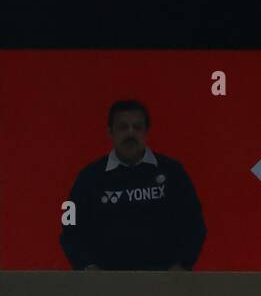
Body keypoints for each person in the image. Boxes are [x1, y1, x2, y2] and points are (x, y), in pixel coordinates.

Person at [59, 99, 206, 271]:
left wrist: (181, 265)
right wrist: (87, 266)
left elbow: (194, 225)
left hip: (164, 285)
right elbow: (71, 231)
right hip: (105, 287)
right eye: (123, 127)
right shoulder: (89, 178)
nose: (130, 134)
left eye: (137, 127)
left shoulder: (173, 173)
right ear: (110, 132)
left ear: (146, 132)